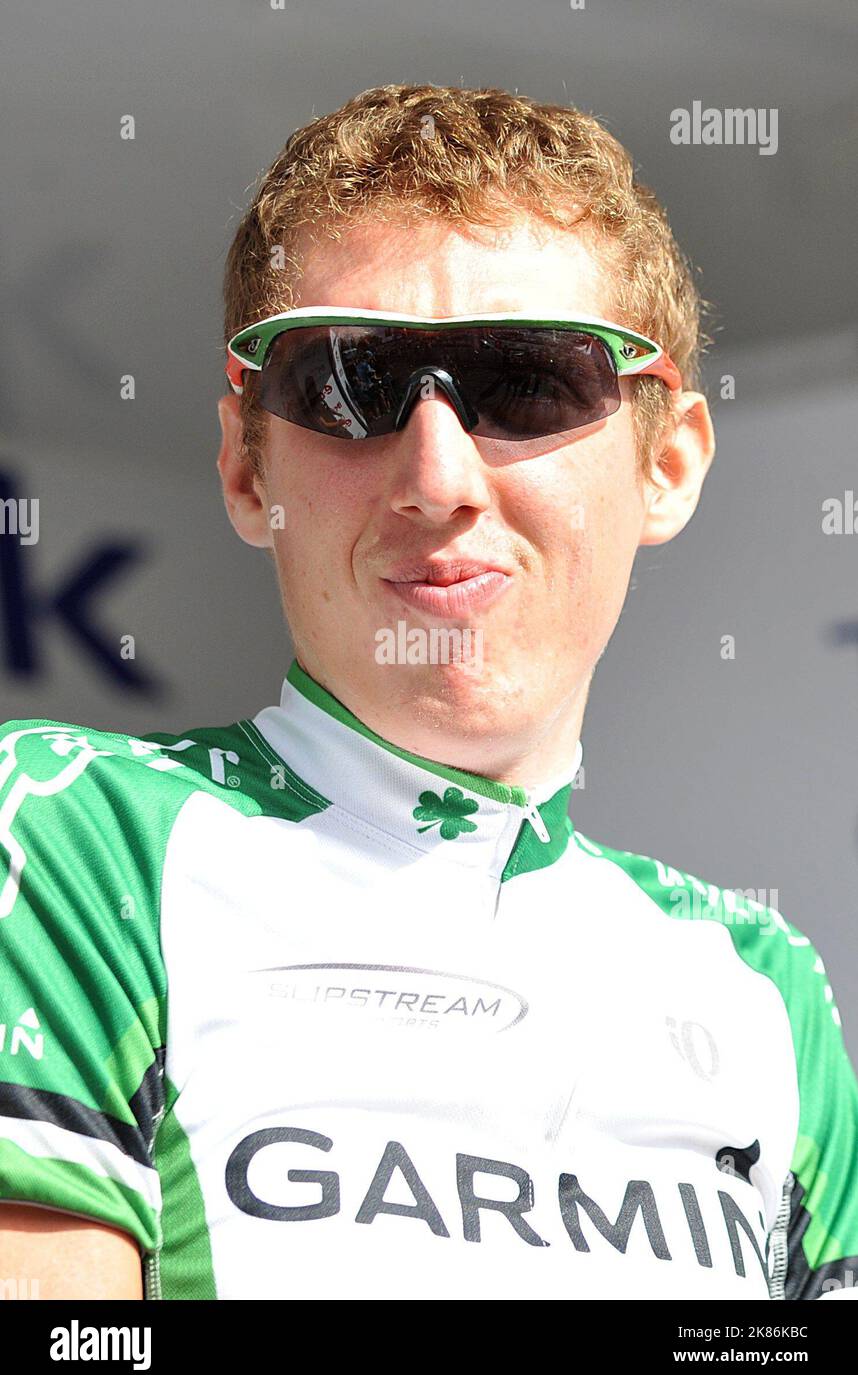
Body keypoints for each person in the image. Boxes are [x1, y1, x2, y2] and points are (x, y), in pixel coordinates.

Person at [1, 83, 856, 1302]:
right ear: (248, 468)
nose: (436, 475)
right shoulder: (72, 842)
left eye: (526, 381)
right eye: (348, 383)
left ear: (666, 465)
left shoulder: (764, 981)